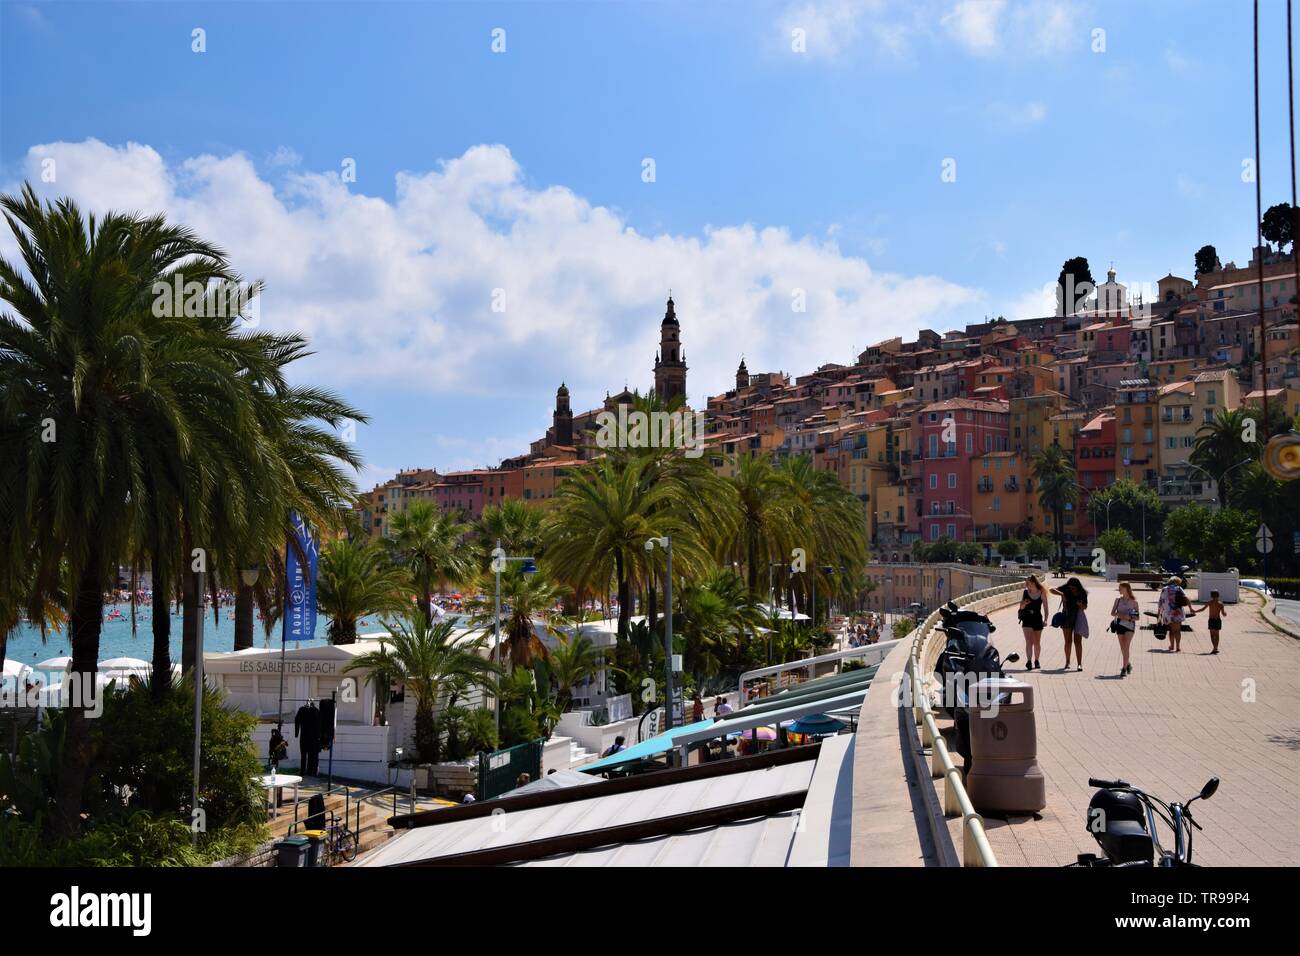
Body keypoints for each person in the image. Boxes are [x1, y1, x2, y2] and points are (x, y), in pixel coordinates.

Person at [1050, 577, 1089, 671]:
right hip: (1067, 617)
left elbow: (1085, 607)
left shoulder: (1082, 593)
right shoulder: (1066, 588)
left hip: (1078, 617)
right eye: (1070, 588)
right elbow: (1051, 590)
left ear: (1077, 587)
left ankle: (1079, 664)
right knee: (1068, 641)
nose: (1072, 589)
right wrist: (1061, 594)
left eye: (1073, 588)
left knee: (1078, 641)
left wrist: (1081, 605)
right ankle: (1067, 662)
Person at [1018, 574, 1049, 671]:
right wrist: (1024, 603)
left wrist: (1046, 619)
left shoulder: (1041, 593)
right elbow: (1021, 607)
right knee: (1029, 641)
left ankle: (1037, 660)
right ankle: (1029, 661)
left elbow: (1045, 607)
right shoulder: (1026, 593)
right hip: (1027, 619)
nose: (1027, 585)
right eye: (1026, 583)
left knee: (1037, 642)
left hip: (1037, 619)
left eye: (1029, 583)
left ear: (1034, 582)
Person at [1110, 582, 1140, 677]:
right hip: (1119, 625)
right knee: (1123, 647)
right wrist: (1119, 614)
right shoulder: (1118, 600)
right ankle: (1128, 664)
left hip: (1130, 626)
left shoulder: (1134, 602)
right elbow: (1112, 613)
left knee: (1126, 646)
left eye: (1120, 588)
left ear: (1126, 589)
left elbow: (1137, 617)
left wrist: (1129, 617)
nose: (1119, 590)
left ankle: (1123, 668)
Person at [1157, 576, 1190, 652]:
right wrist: (1190, 608)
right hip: (1178, 612)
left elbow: (1160, 602)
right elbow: (1185, 598)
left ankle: (1172, 646)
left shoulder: (1164, 589)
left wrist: (1159, 614)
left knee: (1171, 630)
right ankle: (1178, 647)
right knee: (1177, 630)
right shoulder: (1179, 588)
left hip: (1168, 613)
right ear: (1177, 582)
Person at [1194, 590, 1227, 654]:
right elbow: (1223, 614)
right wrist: (1225, 613)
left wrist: (1195, 611)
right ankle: (1216, 648)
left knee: (1212, 635)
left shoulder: (1210, 602)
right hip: (1217, 620)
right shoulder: (1220, 604)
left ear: (1211, 596)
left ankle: (1214, 648)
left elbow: (1202, 609)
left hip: (1211, 620)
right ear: (1218, 596)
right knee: (1217, 635)